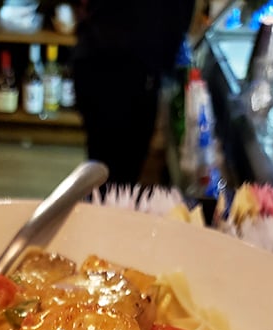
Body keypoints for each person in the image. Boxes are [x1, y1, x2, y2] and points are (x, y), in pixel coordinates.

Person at [72, 0, 197, 190]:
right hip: (124, 68)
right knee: (115, 175)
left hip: (101, 58)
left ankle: (101, 207)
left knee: (104, 169)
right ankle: (105, 211)